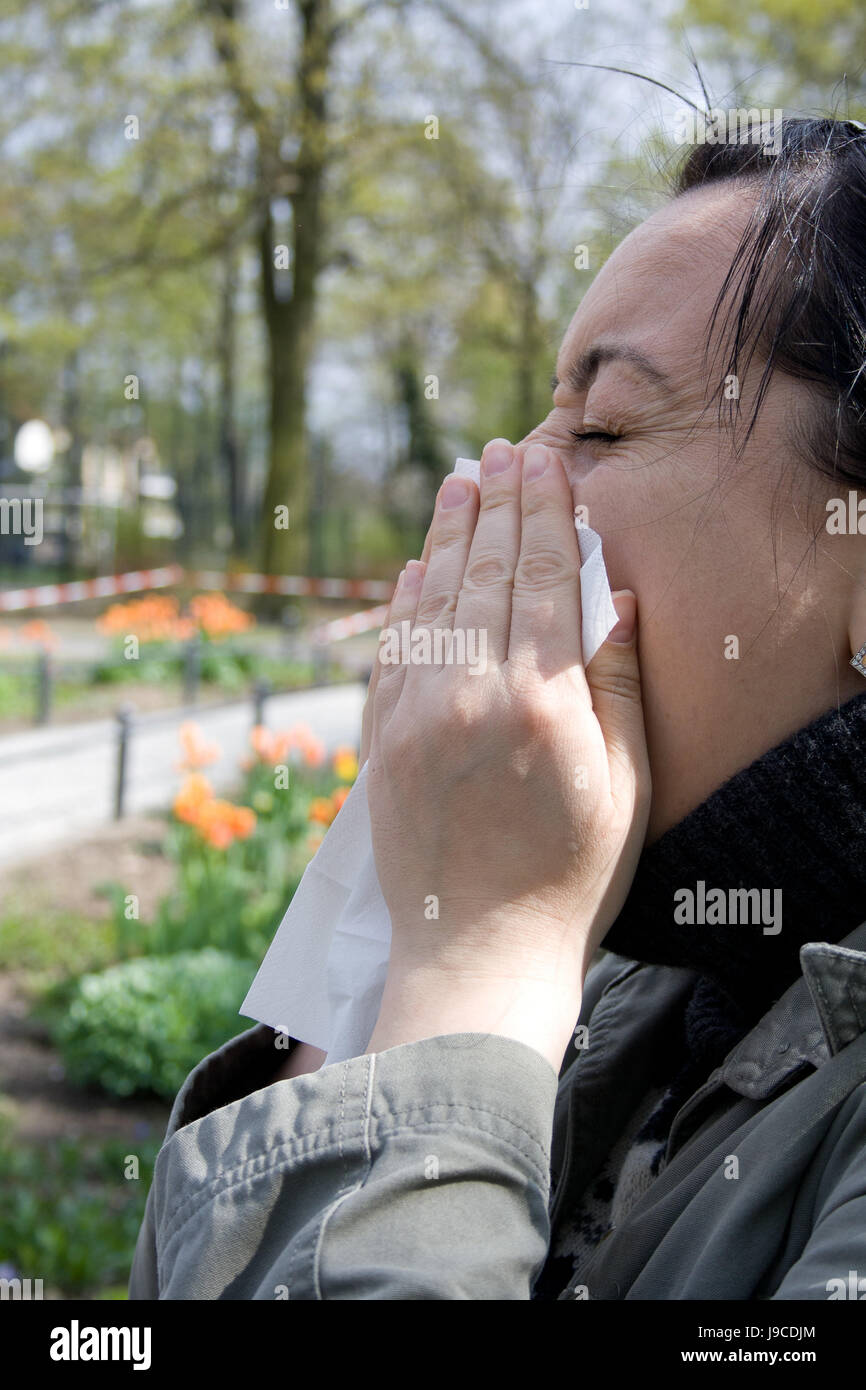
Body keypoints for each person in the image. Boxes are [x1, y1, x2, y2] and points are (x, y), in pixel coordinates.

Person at [129, 115, 866, 1300]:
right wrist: (389, 914)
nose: (486, 487)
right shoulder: (650, 973)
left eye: (604, 424)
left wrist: (479, 958)